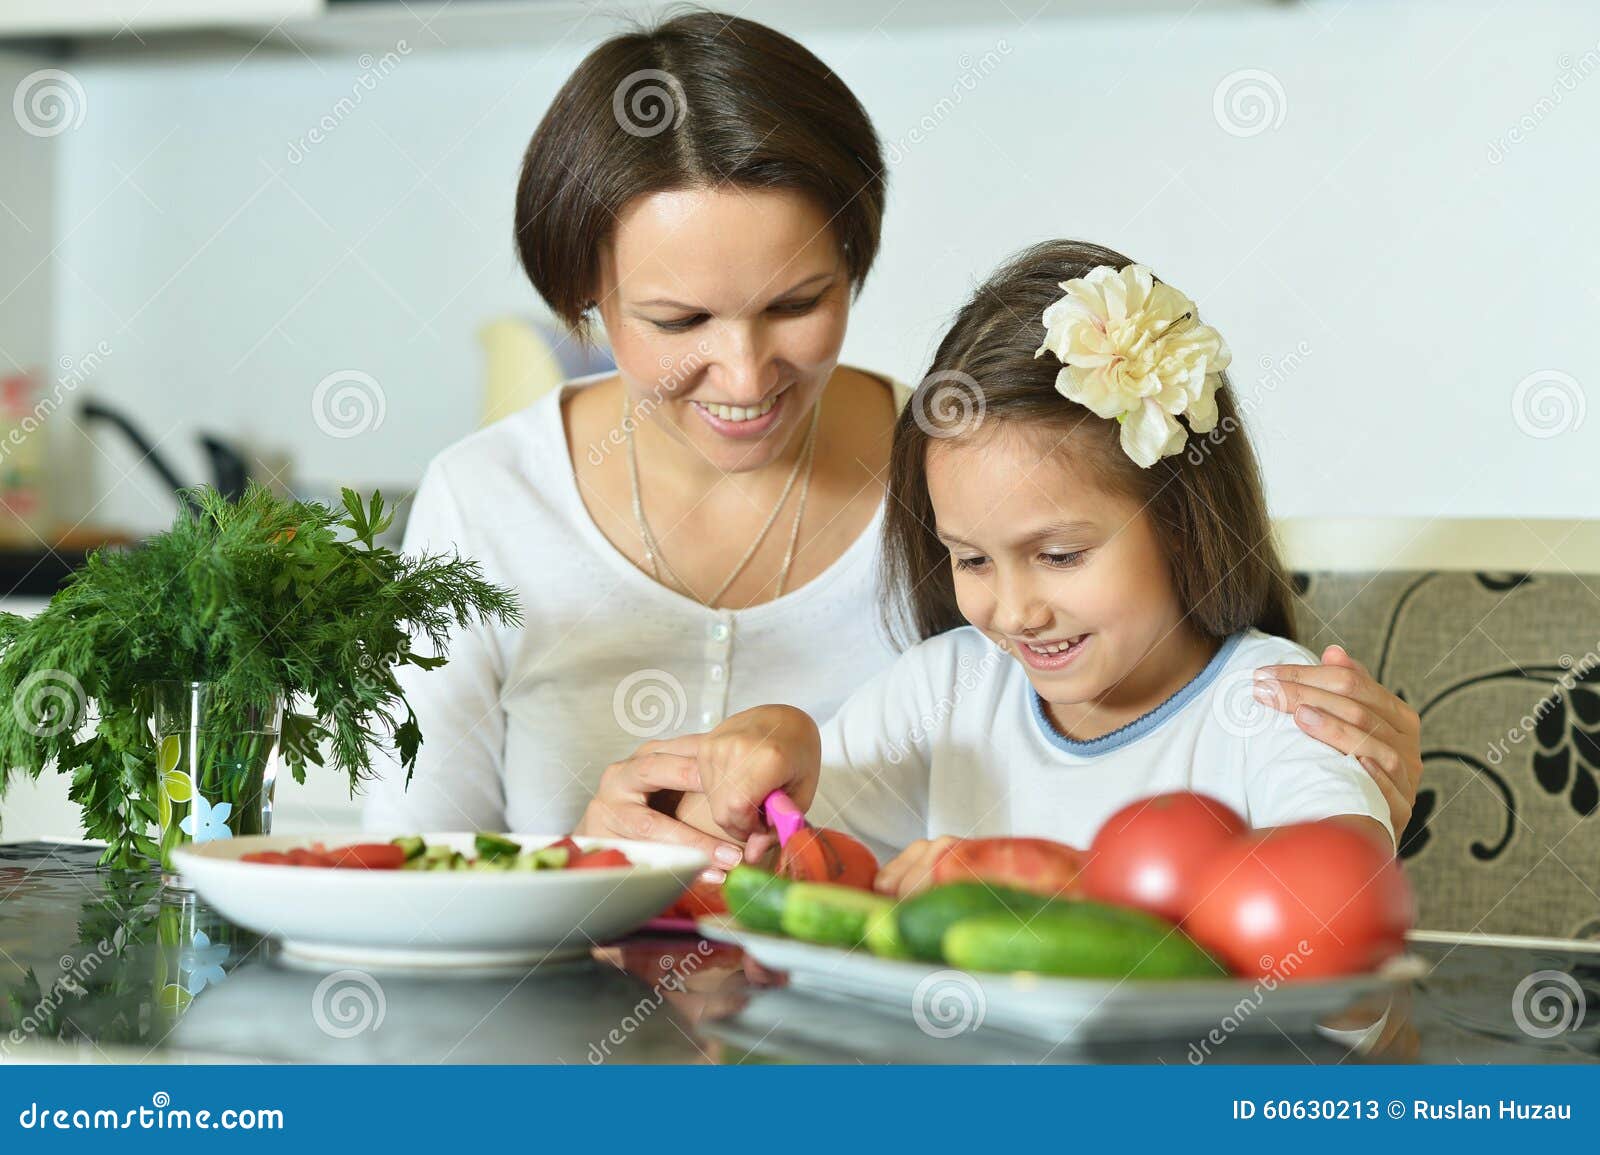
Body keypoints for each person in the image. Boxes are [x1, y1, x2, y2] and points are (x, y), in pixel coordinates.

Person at [362, 13, 1422, 883]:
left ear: (855, 265)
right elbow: (411, 876)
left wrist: (1356, 799)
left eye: (796, 303)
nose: (743, 375)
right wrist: (601, 864)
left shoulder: (971, 465)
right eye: (679, 323)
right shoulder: (486, 501)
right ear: (582, 303)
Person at [670, 240, 1407, 894]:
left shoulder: (1273, 703)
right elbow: (740, 869)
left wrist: (1027, 880)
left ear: (1182, 524)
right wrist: (763, 757)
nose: (1016, 610)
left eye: (1059, 556)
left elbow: (1338, 913)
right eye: (971, 559)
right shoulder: (946, 689)